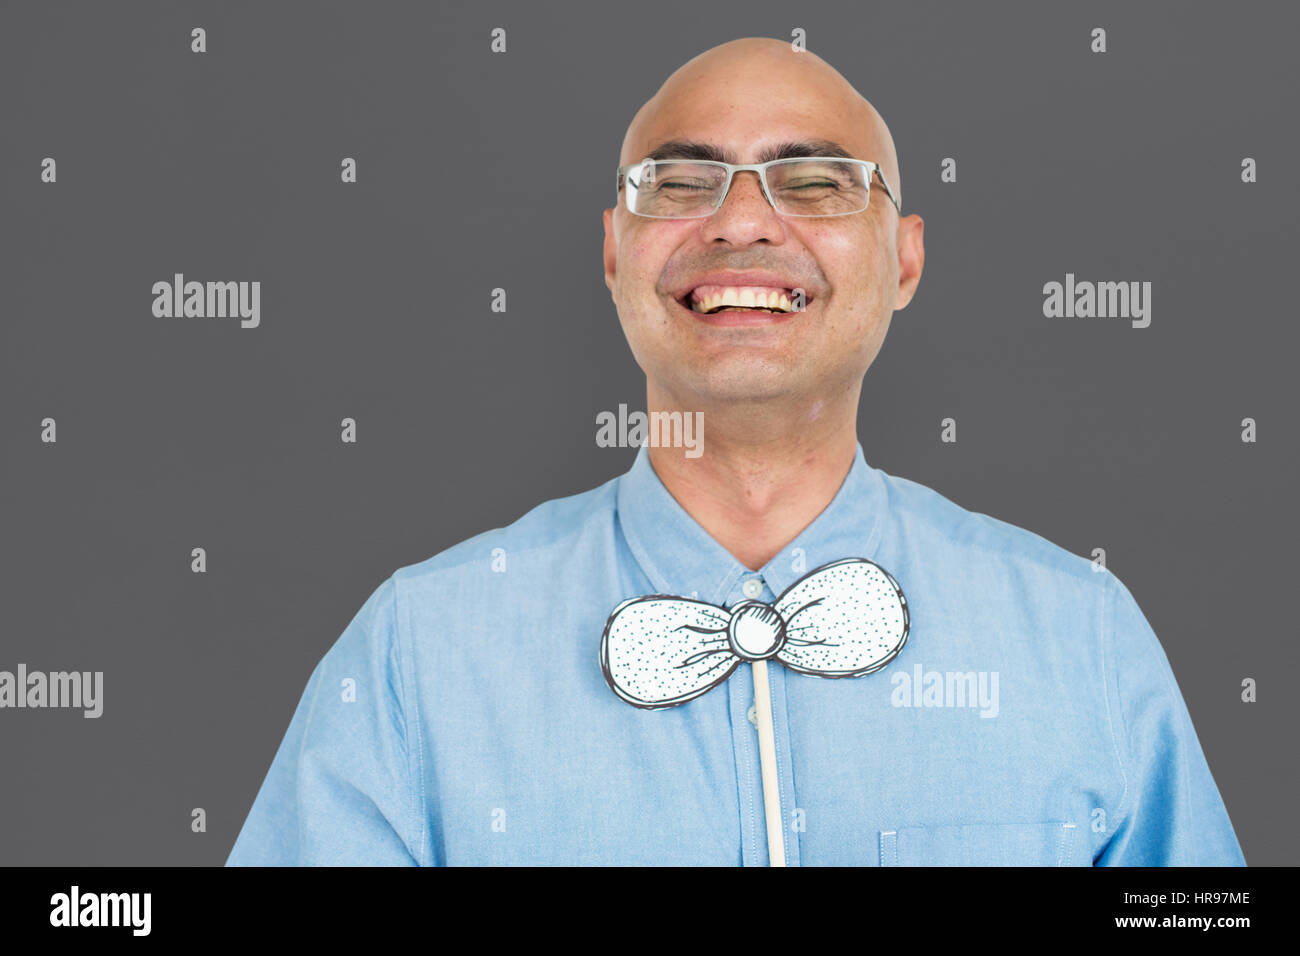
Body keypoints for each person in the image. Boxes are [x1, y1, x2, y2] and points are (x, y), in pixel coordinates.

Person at [227, 37, 1244, 866]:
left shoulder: (1081, 635)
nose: (743, 220)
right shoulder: (418, 651)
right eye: (681, 182)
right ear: (615, 253)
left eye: (813, 180)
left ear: (904, 259)